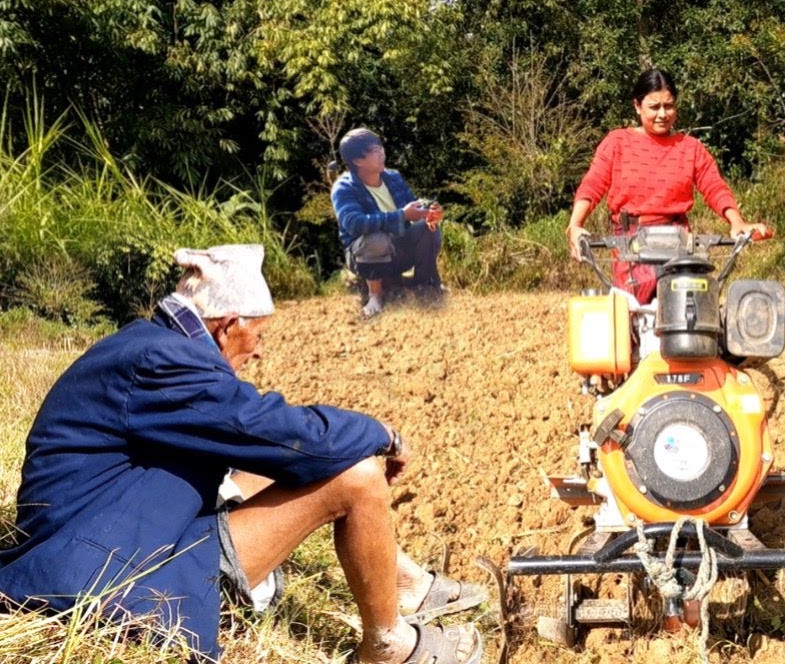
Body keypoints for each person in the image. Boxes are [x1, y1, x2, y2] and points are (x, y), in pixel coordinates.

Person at [0, 245, 485, 664]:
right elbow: (293, 436)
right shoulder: (165, 362)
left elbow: (271, 448)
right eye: (258, 335)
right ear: (227, 325)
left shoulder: (147, 345)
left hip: (123, 527)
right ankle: (388, 647)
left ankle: (408, 584)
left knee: (283, 460)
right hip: (108, 574)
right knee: (356, 476)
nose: (258, 352)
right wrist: (382, 433)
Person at [565, 69, 768, 303]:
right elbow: (593, 185)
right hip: (630, 249)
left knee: (693, 315)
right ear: (637, 106)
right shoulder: (617, 143)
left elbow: (714, 187)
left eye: (669, 106)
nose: (662, 114)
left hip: (680, 248)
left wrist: (737, 222)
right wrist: (575, 225)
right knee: (628, 321)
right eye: (654, 107)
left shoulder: (690, 148)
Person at [332, 128, 446, 318]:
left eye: (380, 148)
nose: (381, 153)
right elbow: (354, 223)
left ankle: (426, 284)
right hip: (365, 254)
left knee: (427, 227)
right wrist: (401, 216)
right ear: (358, 161)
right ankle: (375, 295)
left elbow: (412, 205)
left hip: (398, 248)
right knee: (377, 238)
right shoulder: (344, 188)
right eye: (374, 151)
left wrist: (429, 209)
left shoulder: (392, 177)